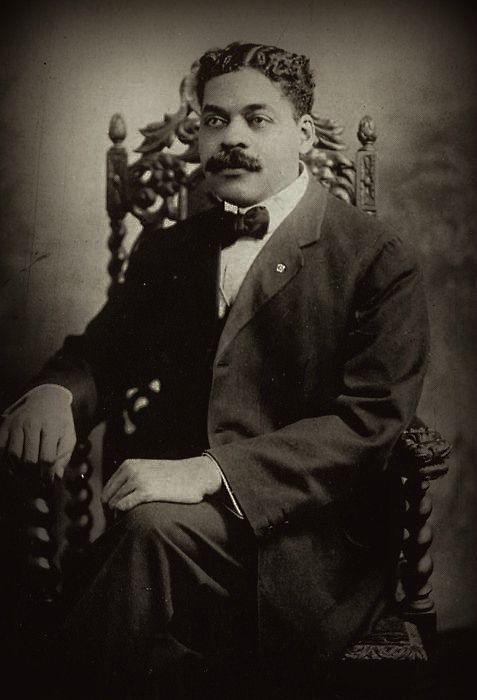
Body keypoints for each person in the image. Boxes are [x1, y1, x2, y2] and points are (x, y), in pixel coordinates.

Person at [0, 42, 429, 698]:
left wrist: (208, 472)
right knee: (142, 541)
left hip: (310, 544)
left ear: (302, 135)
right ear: (197, 135)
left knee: (144, 536)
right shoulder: (170, 250)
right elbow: (102, 353)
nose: (231, 137)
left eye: (257, 119)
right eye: (214, 120)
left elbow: (369, 425)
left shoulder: (376, 258)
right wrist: (57, 392)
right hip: (174, 534)